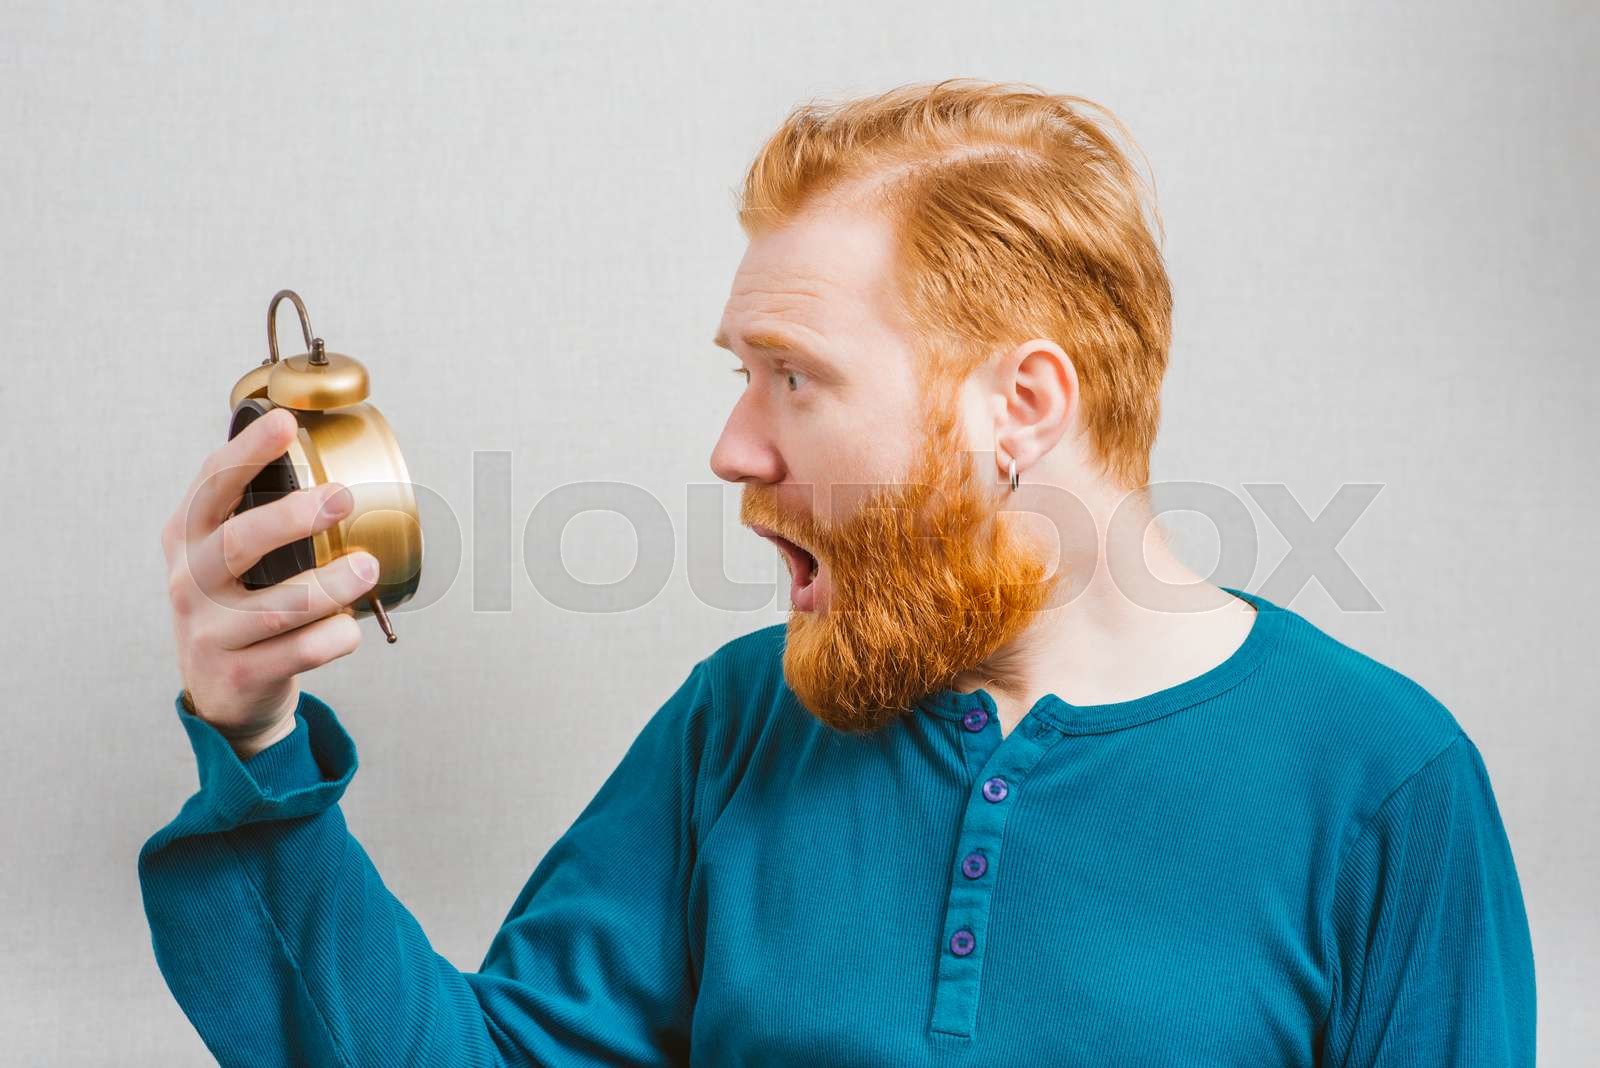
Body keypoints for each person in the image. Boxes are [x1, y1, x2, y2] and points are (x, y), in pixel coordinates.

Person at [142, 80, 1536, 1065]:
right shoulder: (739, 724)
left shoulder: (1383, 787)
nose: (733, 449)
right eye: (740, 377)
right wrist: (253, 735)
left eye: (794, 378)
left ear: (1024, 408)